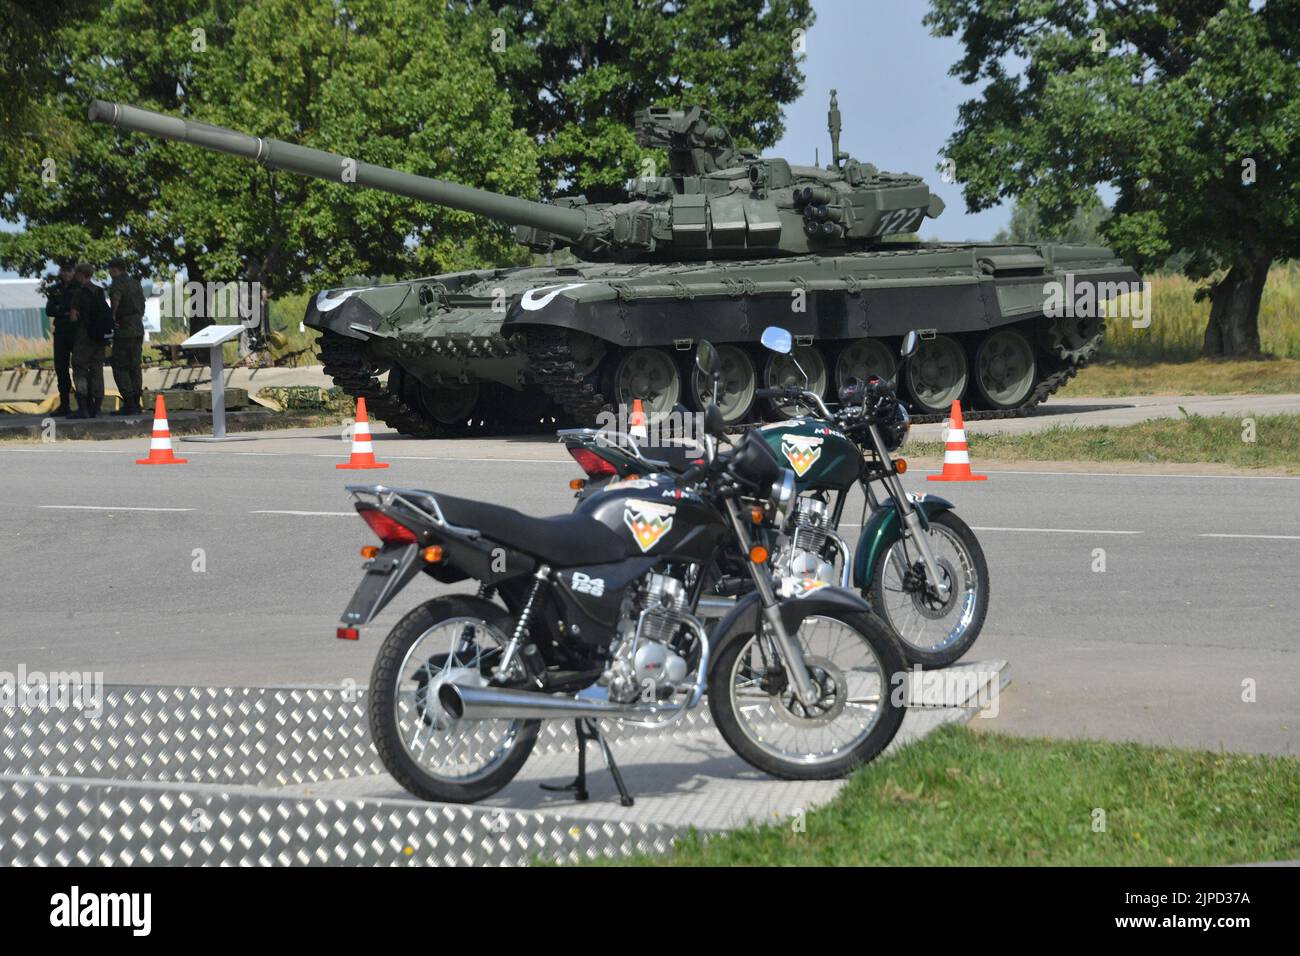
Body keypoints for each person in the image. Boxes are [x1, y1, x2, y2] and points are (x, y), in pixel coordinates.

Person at [68, 262, 108, 419]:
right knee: (97, 371)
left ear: (79, 275)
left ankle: (83, 408)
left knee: (80, 370)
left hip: (84, 336)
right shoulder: (99, 291)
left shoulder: (79, 292)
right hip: (99, 336)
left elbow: (73, 316)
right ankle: (97, 409)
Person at [108, 257, 146, 415]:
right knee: (135, 366)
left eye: (110, 270)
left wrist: (113, 317)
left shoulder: (117, 283)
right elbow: (142, 304)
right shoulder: (135, 283)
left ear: (114, 269)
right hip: (138, 326)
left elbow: (116, 300)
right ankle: (136, 401)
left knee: (120, 365)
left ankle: (129, 402)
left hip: (124, 328)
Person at [43, 262, 78, 416]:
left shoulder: (80, 288)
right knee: (61, 368)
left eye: (69, 271)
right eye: (63, 271)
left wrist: (63, 310)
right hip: (62, 332)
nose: (66, 274)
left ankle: (85, 404)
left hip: (77, 332)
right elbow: (49, 310)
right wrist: (64, 310)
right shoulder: (55, 289)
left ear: (74, 272)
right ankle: (65, 405)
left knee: (80, 368)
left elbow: (79, 308)